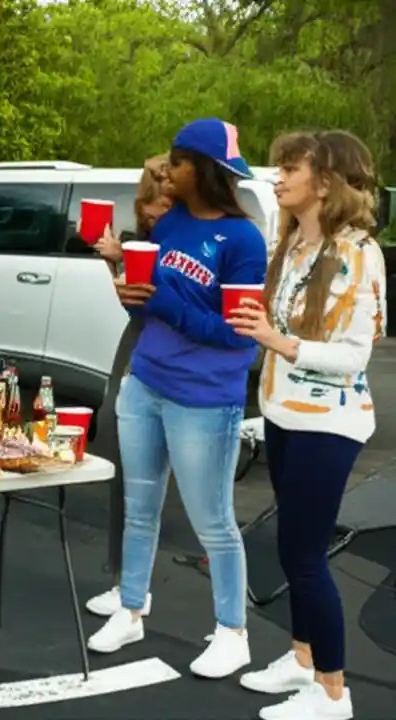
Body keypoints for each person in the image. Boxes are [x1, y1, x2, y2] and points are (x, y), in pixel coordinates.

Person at [89, 118, 265, 680]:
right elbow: (146, 308)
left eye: (179, 163)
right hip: (145, 382)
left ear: (206, 171)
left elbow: (236, 333)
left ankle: (233, 632)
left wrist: (159, 301)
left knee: (213, 520)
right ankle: (132, 608)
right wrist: (128, 289)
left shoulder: (243, 241)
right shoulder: (172, 224)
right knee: (140, 511)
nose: (169, 171)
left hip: (205, 398)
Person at [228, 130, 385, 720]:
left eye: (288, 169)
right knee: (291, 546)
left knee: (304, 553)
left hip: (331, 423)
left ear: (324, 183)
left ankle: (333, 693)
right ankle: (301, 659)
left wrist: (280, 342)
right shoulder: (291, 244)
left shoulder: (357, 252)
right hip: (283, 415)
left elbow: (354, 357)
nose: (277, 177)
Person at [84, 154, 174, 619]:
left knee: (166, 480)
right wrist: (115, 264)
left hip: (174, 358)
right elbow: (134, 310)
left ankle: (229, 624)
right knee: (117, 446)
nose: (154, 211)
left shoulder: (189, 241)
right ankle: (123, 582)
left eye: (163, 201)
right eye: (148, 202)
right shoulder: (146, 239)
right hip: (138, 344)